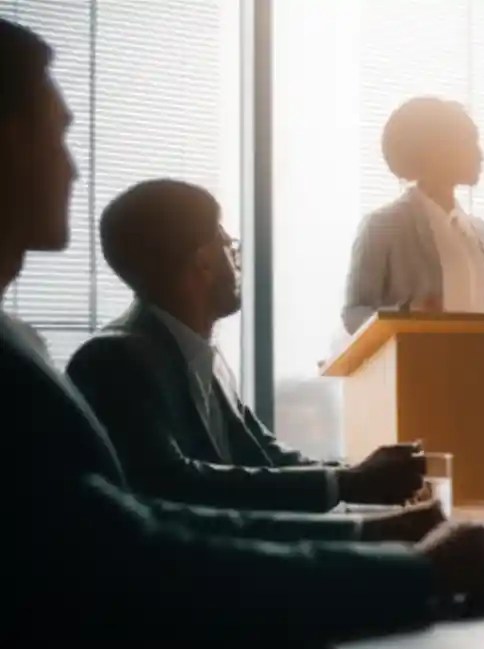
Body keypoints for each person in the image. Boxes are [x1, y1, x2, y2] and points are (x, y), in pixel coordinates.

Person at [0, 18, 484, 649]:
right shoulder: (99, 360)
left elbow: (220, 486)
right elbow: (147, 536)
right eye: (57, 135)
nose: (73, 166)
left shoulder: (81, 350)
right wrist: (401, 566)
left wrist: (368, 521)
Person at [68, 179, 426, 513]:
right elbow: (173, 485)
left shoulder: (203, 356)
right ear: (204, 262)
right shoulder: (111, 361)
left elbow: (264, 455)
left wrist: (360, 477)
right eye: (229, 247)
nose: (237, 262)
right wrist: (348, 483)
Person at [342, 96, 484, 333]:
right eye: (469, 142)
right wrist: (407, 314)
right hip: (418, 356)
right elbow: (354, 314)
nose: (480, 155)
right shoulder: (383, 227)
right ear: (438, 150)